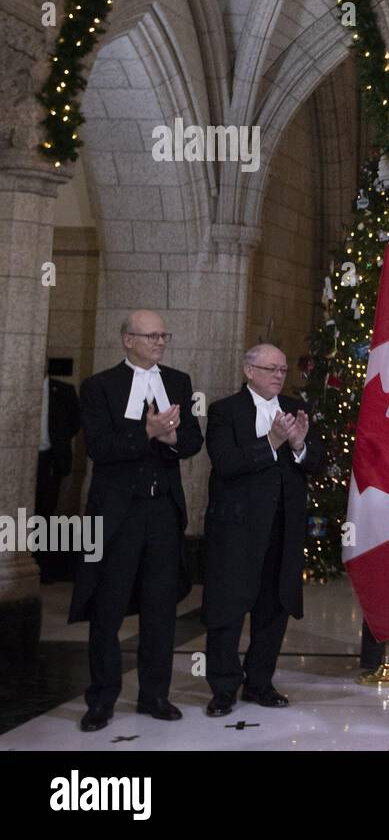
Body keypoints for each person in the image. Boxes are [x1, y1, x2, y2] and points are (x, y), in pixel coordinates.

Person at [70, 311, 203, 731]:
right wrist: (144, 433)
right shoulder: (98, 387)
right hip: (116, 516)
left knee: (160, 609)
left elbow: (193, 441)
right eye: (151, 336)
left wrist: (172, 438)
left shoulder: (179, 381)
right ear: (128, 339)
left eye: (164, 334)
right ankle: (101, 699)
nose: (160, 341)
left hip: (163, 511)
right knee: (108, 609)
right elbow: (100, 448)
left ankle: (155, 695)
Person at [201, 344, 323, 716]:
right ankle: (223, 688)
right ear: (248, 370)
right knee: (228, 608)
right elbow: (225, 463)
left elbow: (316, 462)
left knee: (273, 608)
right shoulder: (225, 411)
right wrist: (271, 443)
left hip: (281, 528)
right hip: (236, 530)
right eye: (270, 368)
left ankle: (260, 683)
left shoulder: (294, 409)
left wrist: (300, 444)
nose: (278, 375)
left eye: (283, 369)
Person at [35, 360, 81, 582]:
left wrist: (59, 443)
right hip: (25, 458)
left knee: (46, 512)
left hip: (50, 459)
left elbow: (75, 422)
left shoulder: (63, 391)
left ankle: (42, 565)